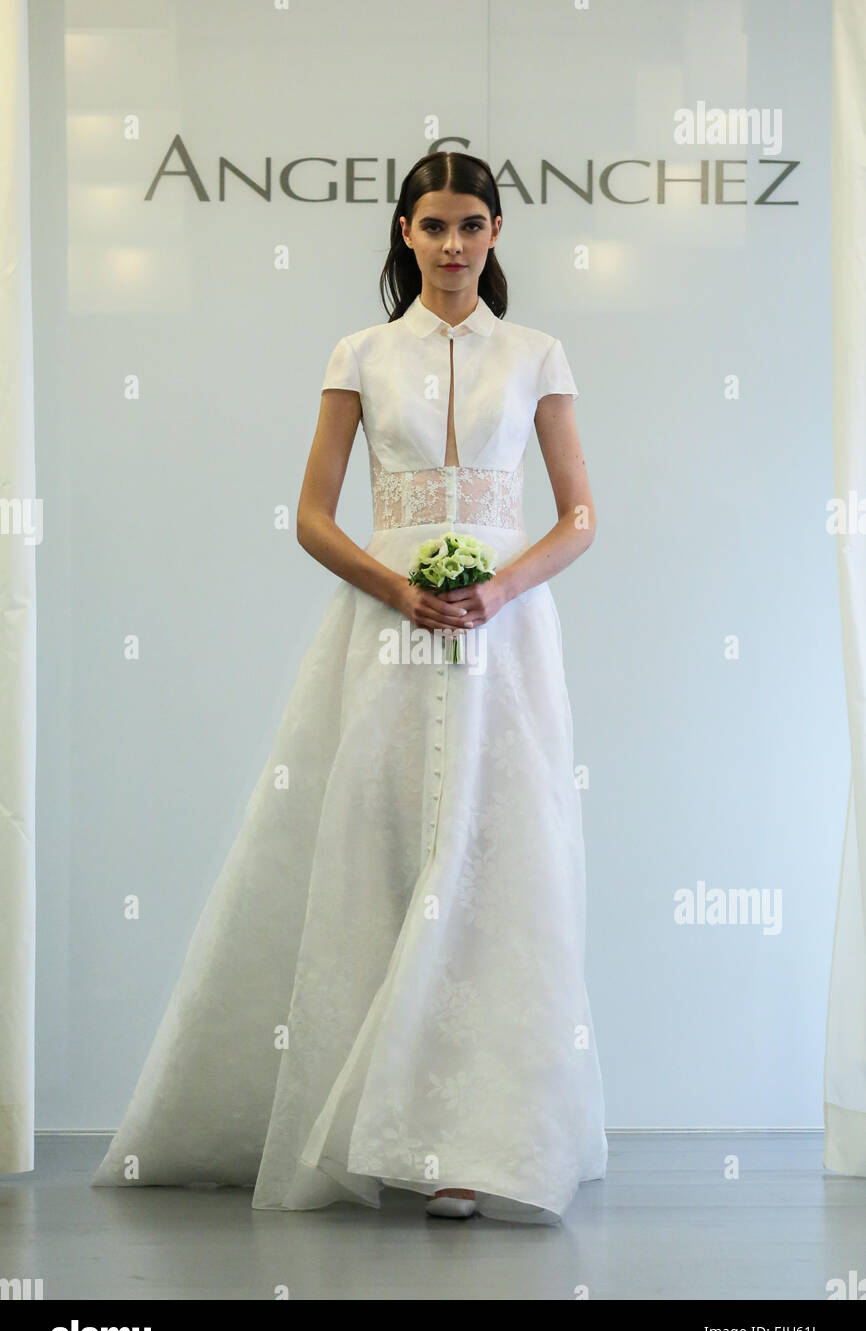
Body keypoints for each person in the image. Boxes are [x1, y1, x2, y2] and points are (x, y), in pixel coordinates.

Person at [92, 150, 608, 1224]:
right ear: (404, 234)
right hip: (383, 632)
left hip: (506, 640)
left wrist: (498, 589)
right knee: (374, 848)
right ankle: (361, 1122)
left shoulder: (536, 354)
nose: (453, 244)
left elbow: (578, 516)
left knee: (497, 858)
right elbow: (313, 514)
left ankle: (467, 1139)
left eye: (471, 225)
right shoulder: (362, 353)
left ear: (497, 233)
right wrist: (398, 586)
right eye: (434, 226)